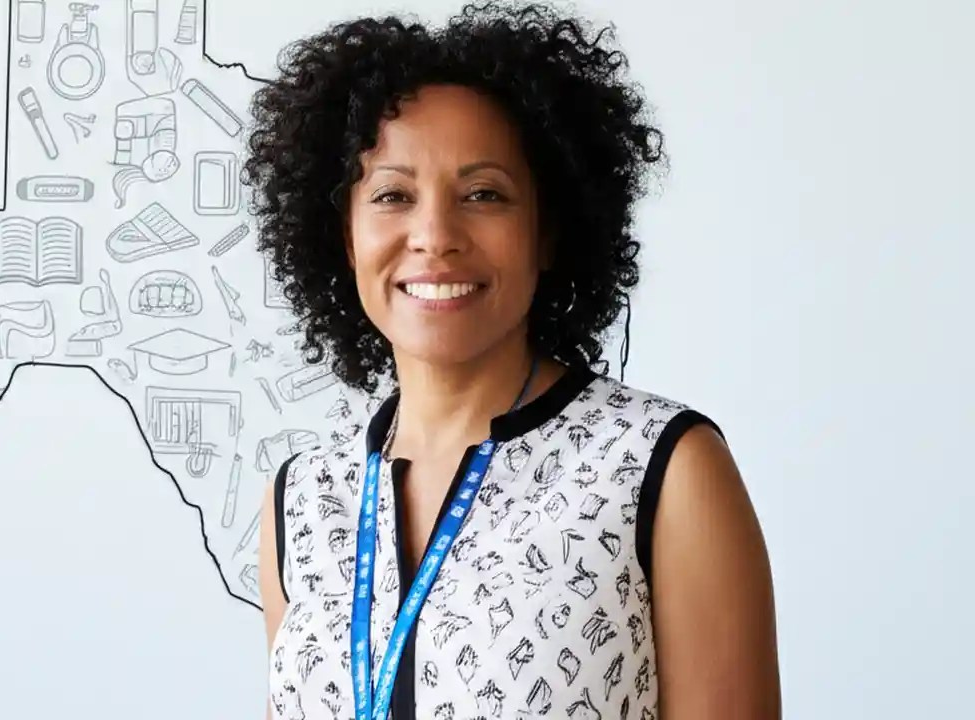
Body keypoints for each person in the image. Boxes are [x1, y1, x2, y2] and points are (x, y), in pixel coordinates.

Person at [244, 2, 781, 718]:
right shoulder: (301, 501)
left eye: (483, 194)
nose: (434, 235)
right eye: (393, 196)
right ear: (343, 237)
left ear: (548, 231)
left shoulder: (662, 469)